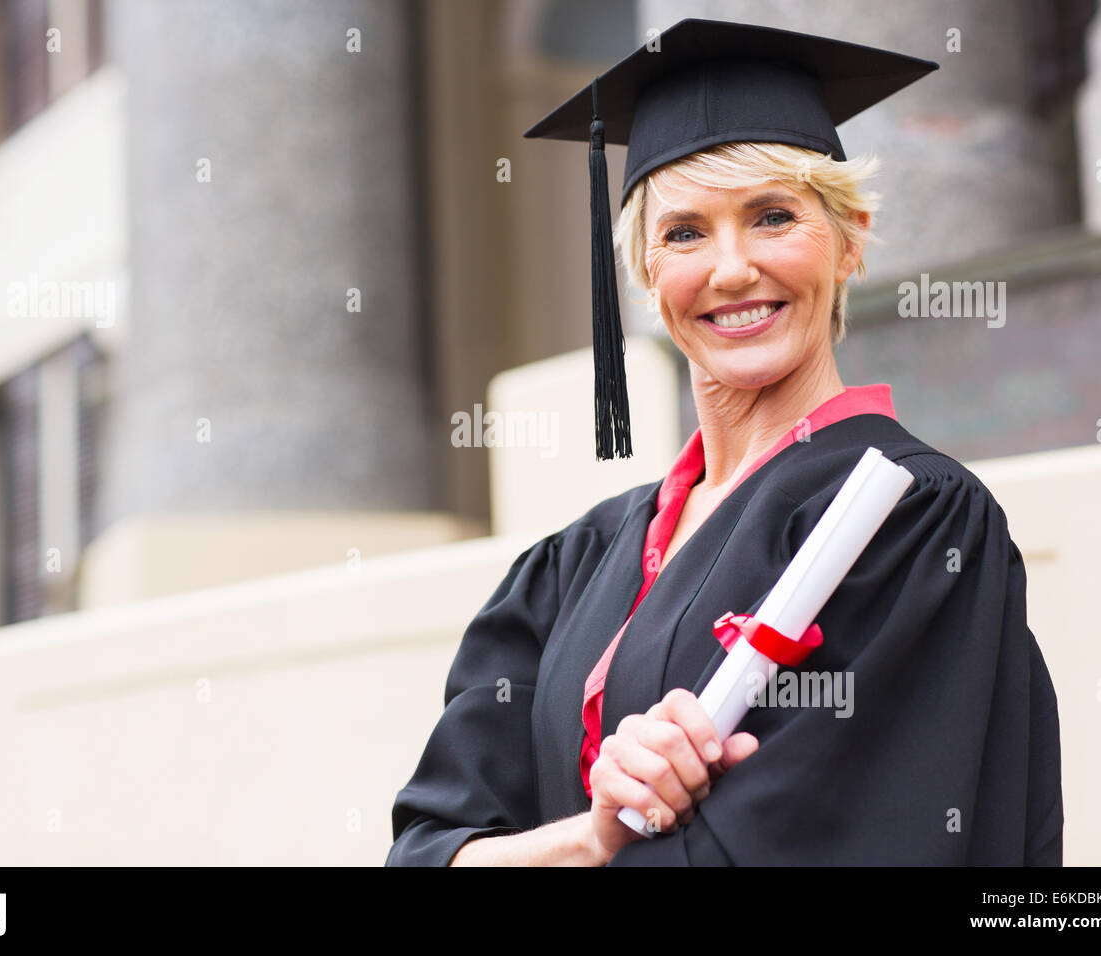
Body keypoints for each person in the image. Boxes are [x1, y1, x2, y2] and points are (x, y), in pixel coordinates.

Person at [386, 19, 1064, 867]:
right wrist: (593, 836)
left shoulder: (914, 527)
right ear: (641, 272)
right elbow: (430, 850)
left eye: (773, 216)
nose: (732, 268)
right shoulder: (573, 566)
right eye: (683, 233)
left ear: (850, 239)